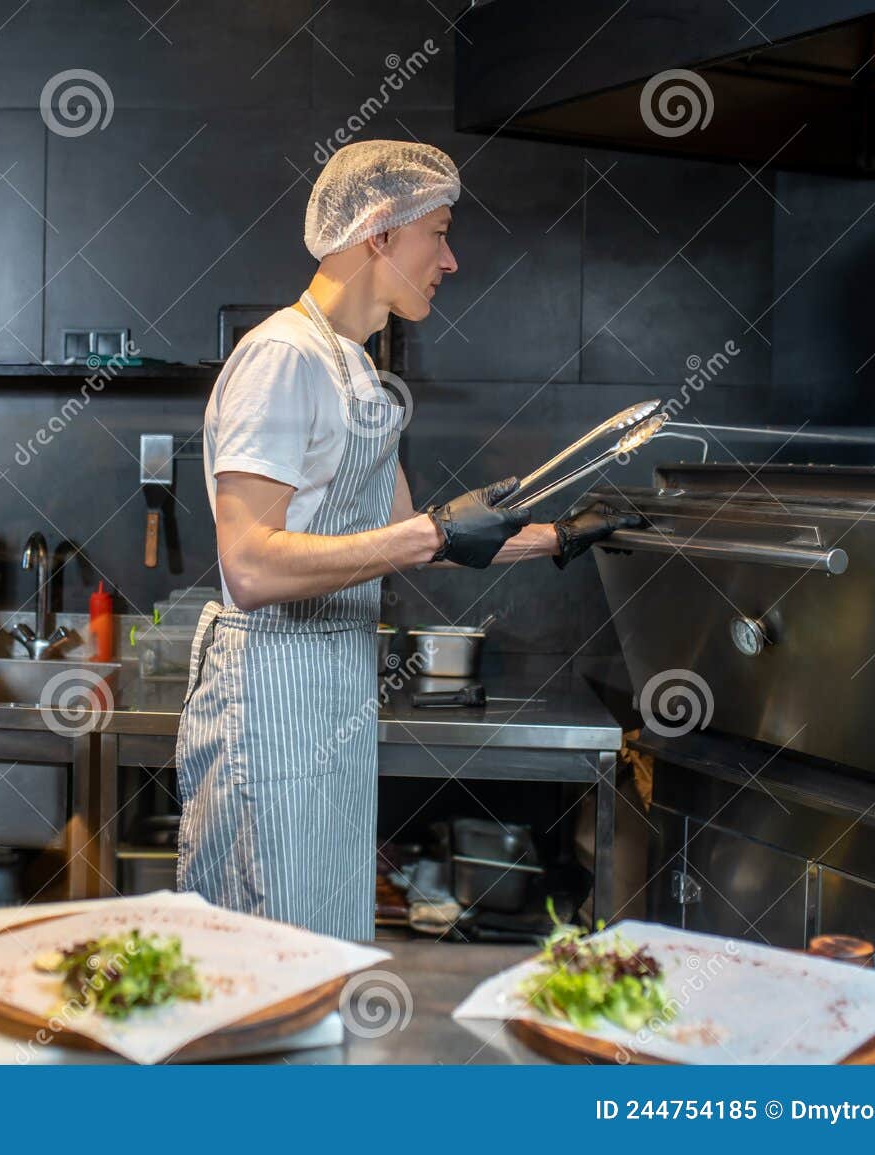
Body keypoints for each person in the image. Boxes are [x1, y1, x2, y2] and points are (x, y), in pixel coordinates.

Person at [174, 141, 642, 940]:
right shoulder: (282, 357)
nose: (452, 260)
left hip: (329, 697)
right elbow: (248, 563)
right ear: (378, 234)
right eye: (441, 233)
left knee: (323, 946)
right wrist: (431, 531)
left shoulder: (355, 371)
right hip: (269, 699)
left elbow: (421, 536)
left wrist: (562, 536)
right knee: (264, 957)